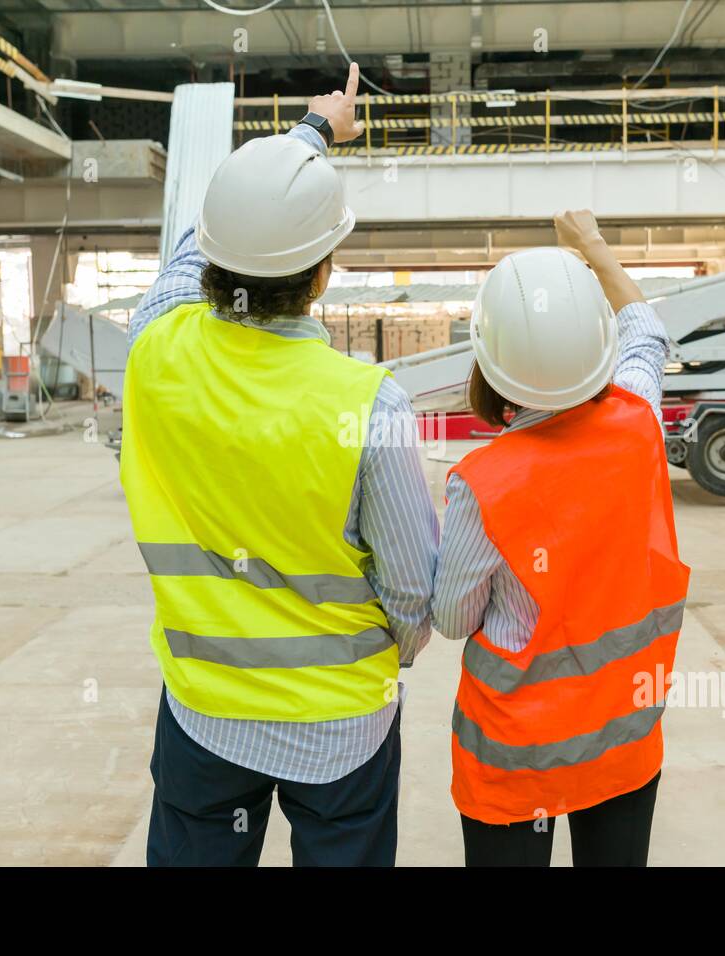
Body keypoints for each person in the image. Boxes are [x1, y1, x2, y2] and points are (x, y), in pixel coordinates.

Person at [121, 64, 439, 867]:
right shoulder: (371, 405)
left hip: (204, 709)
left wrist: (308, 132)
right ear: (324, 272)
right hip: (340, 725)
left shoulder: (153, 347)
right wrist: (384, 653)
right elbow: (410, 594)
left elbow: (200, 245)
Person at [431, 209, 689, 867]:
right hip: (624, 739)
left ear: (488, 361)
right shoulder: (639, 423)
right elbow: (647, 333)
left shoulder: (483, 483)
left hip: (519, 758)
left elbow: (454, 619)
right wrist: (593, 247)